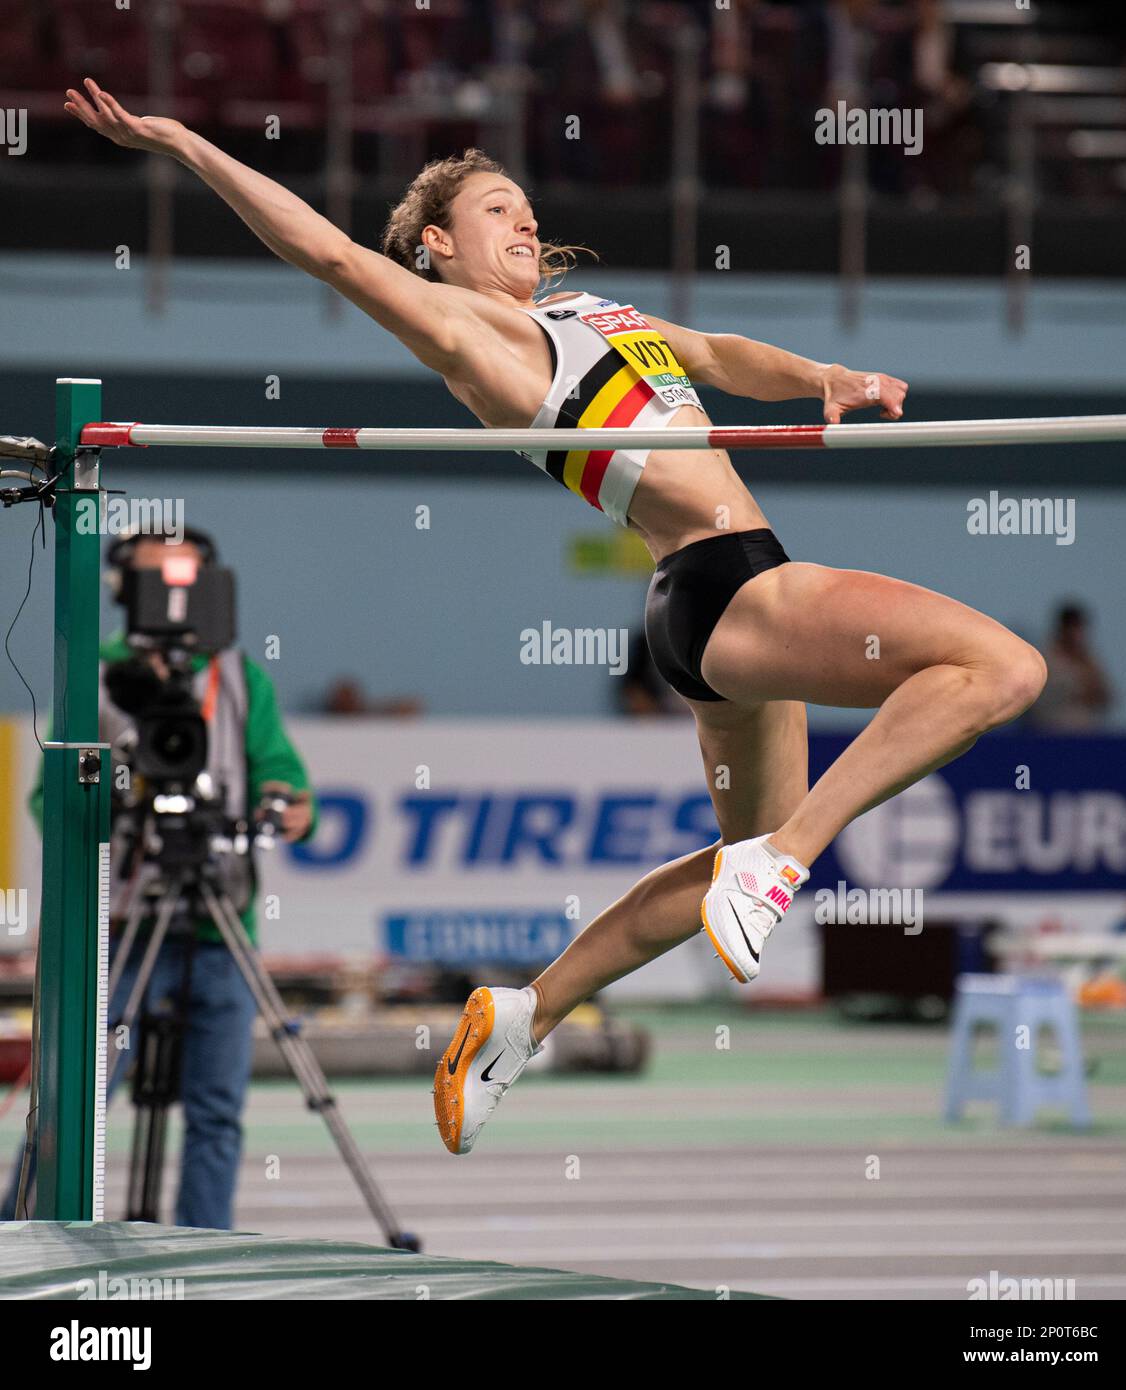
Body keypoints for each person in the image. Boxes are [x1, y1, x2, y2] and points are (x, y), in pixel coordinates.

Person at [63, 78, 1047, 1158]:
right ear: (436, 244)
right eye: (496, 210)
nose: (524, 219)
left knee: (739, 853)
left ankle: (525, 1014)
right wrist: (185, 143)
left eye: (526, 205)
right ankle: (795, 856)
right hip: (729, 584)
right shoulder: (467, 326)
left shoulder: (586, 314)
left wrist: (823, 373)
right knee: (998, 670)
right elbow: (332, 255)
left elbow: (715, 356)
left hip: (700, 604)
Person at [1, 528, 315, 1225]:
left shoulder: (238, 676)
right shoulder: (95, 673)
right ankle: (18, 1236)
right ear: (122, 589)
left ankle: (203, 1252)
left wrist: (292, 806)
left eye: (187, 581)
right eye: (154, 581)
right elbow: (49, 802)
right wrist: (112, 800)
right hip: (119, 932)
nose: (173, 600)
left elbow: (284, 776)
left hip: (218, 923)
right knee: (73, 1105)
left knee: (216, 1114)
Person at [1029, 602, 1113, 731]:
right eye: (1072, 628)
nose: (1076, 635)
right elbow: (1037, 703)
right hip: (1051, 732)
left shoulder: (1088, 660)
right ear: (1062, 629)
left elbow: (1105, 697)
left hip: (1086, 732)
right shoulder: (1045, 660)